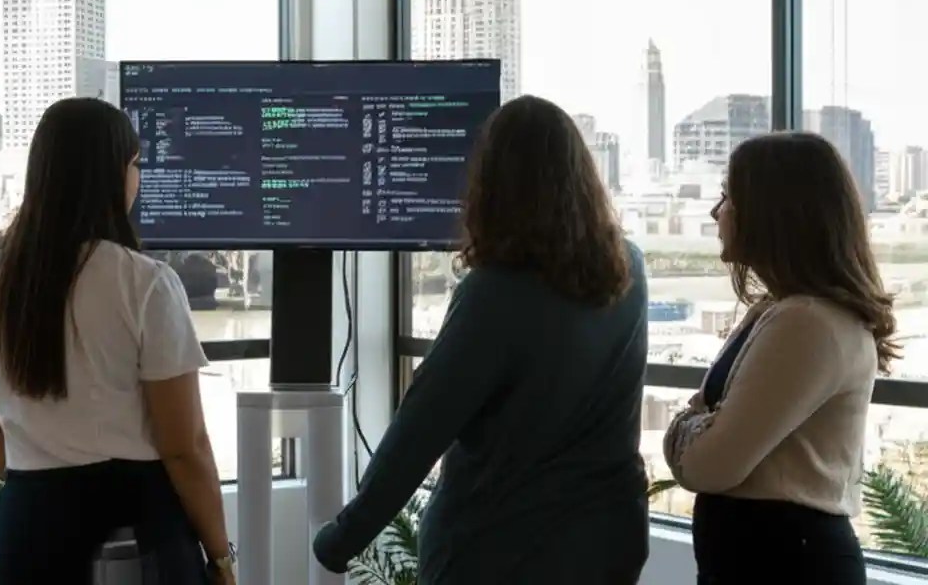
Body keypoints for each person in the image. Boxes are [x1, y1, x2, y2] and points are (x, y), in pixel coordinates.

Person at [313, 95, 650, 583]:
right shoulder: (631, 268)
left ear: (494, 187)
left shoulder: (496, 293)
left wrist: (342, 538)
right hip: (609, 543)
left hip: (502, 551)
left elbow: (421, 429)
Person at [0, 97, 236, 585]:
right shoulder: (144, 282)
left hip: (30, 527)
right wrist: (221, 557)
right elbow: (183, 445)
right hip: (137, 531)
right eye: (135, 164)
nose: (138, 178)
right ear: (111, 175)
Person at [664, 131, 894, 584]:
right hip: (771, 556)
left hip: (786, 563)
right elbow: (707, 430)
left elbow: (711, 464)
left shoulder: (807, 323)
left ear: (772, 213)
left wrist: (687, 427)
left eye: (728, 197)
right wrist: (700, 424)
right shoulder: (780, 311)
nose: (716, 212)